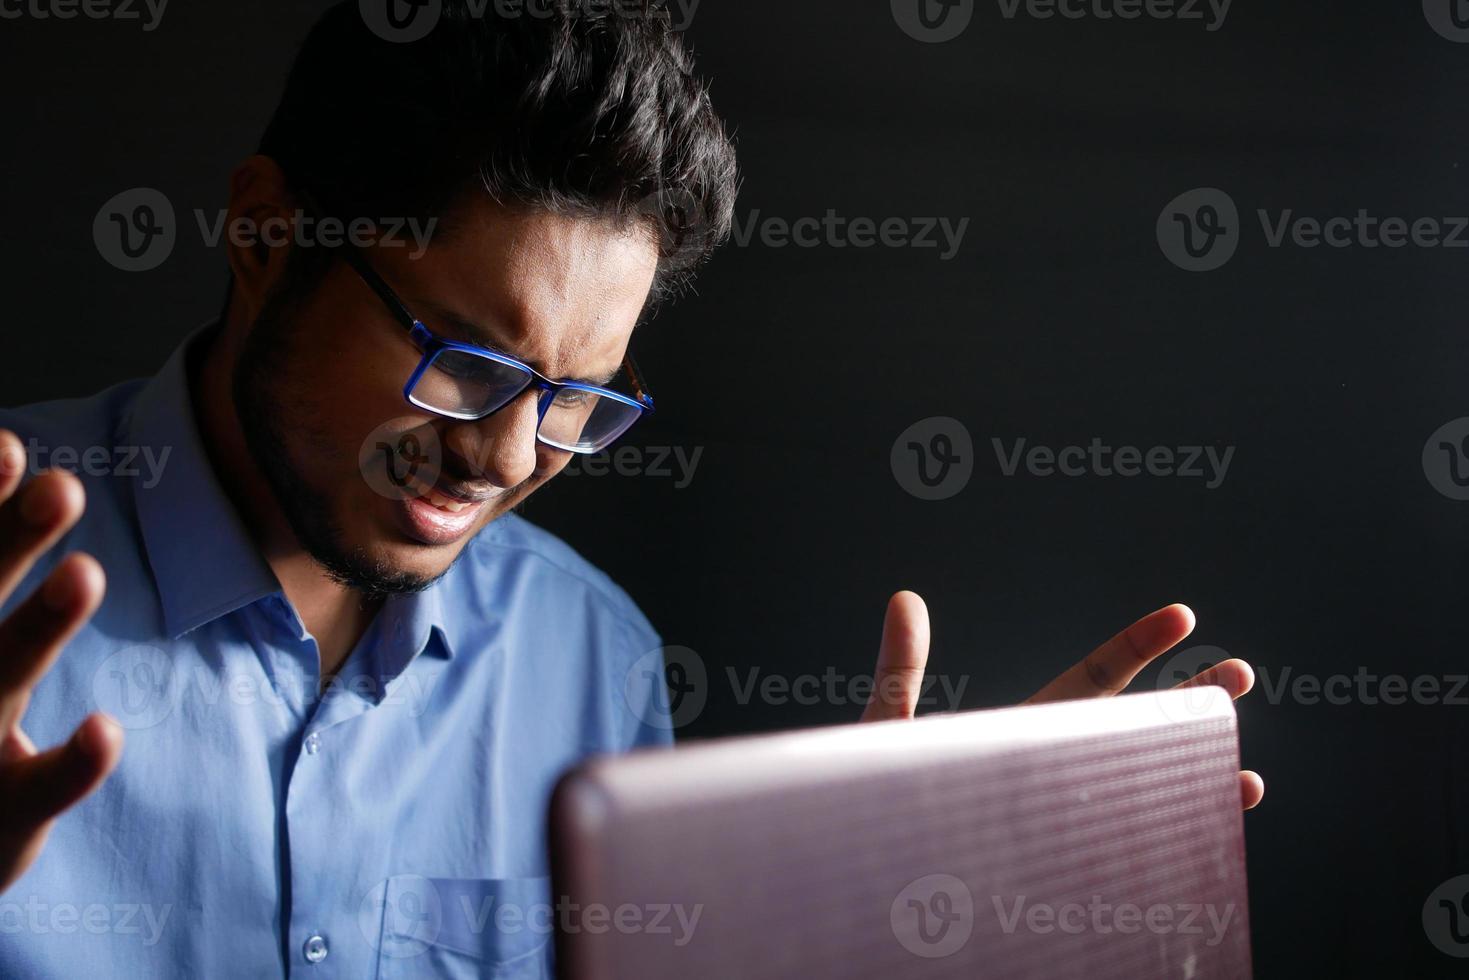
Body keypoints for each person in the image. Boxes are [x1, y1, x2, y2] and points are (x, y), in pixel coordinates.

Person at [0, 2, 1263, 975]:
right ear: (266, 236)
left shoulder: (588, 652)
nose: (507, 457)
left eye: (574, 396)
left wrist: (874, 926)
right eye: (467, 363)